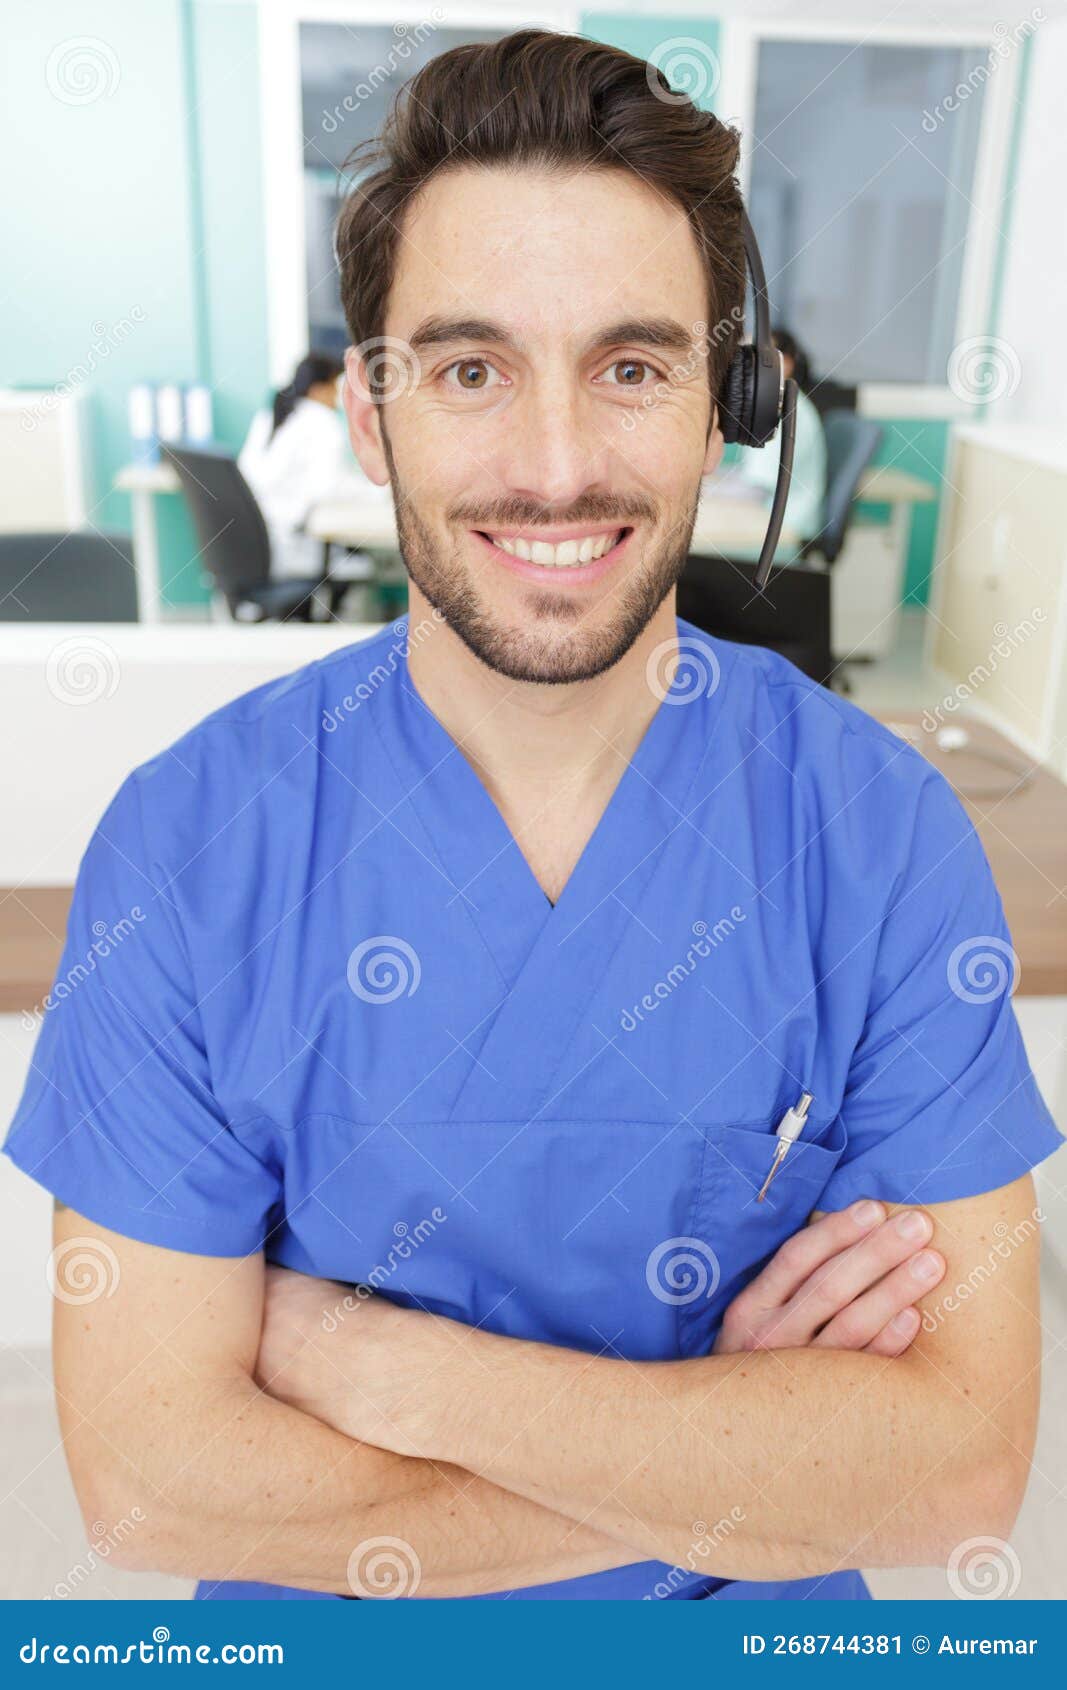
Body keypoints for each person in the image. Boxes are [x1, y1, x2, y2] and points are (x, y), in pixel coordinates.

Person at [7, 30, 1061, 1604]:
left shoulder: (879, 840)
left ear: (725, 410)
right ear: (371, 413)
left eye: (631, 367)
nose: (555, 468)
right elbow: (152, 1490)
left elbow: (957, 1473)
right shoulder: (190, 848)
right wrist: (734, 1450)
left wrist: (383, 1370)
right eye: (469, 369)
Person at [238, 350, 359, 580]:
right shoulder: (322, 421)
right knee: (365, 566)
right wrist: (375, 491)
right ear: (318, 389)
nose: (338, 396)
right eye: (335, 387)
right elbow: (328, 488)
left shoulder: (271, 415)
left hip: (253, 546)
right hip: (292, 546)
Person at [739, 327, 827, 545]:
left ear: (785, 363)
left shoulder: (789, 412)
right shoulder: (772, 405)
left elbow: (756, 490)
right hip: (766, 519)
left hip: (787, 530)